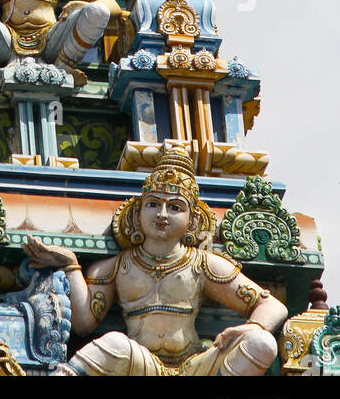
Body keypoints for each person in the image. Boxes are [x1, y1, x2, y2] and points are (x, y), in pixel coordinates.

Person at [26, 144, 285, 376]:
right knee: (114, 342)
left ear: (192, 220)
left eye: (174, 207)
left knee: (262, 343)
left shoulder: (203, 264)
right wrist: (71, 263)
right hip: (141, 364)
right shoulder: (116, 267)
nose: (162, 214)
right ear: (137, 213)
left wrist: (252, 327)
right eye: (153, 204)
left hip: (196, 366)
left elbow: (274, 306)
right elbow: (83, 324)